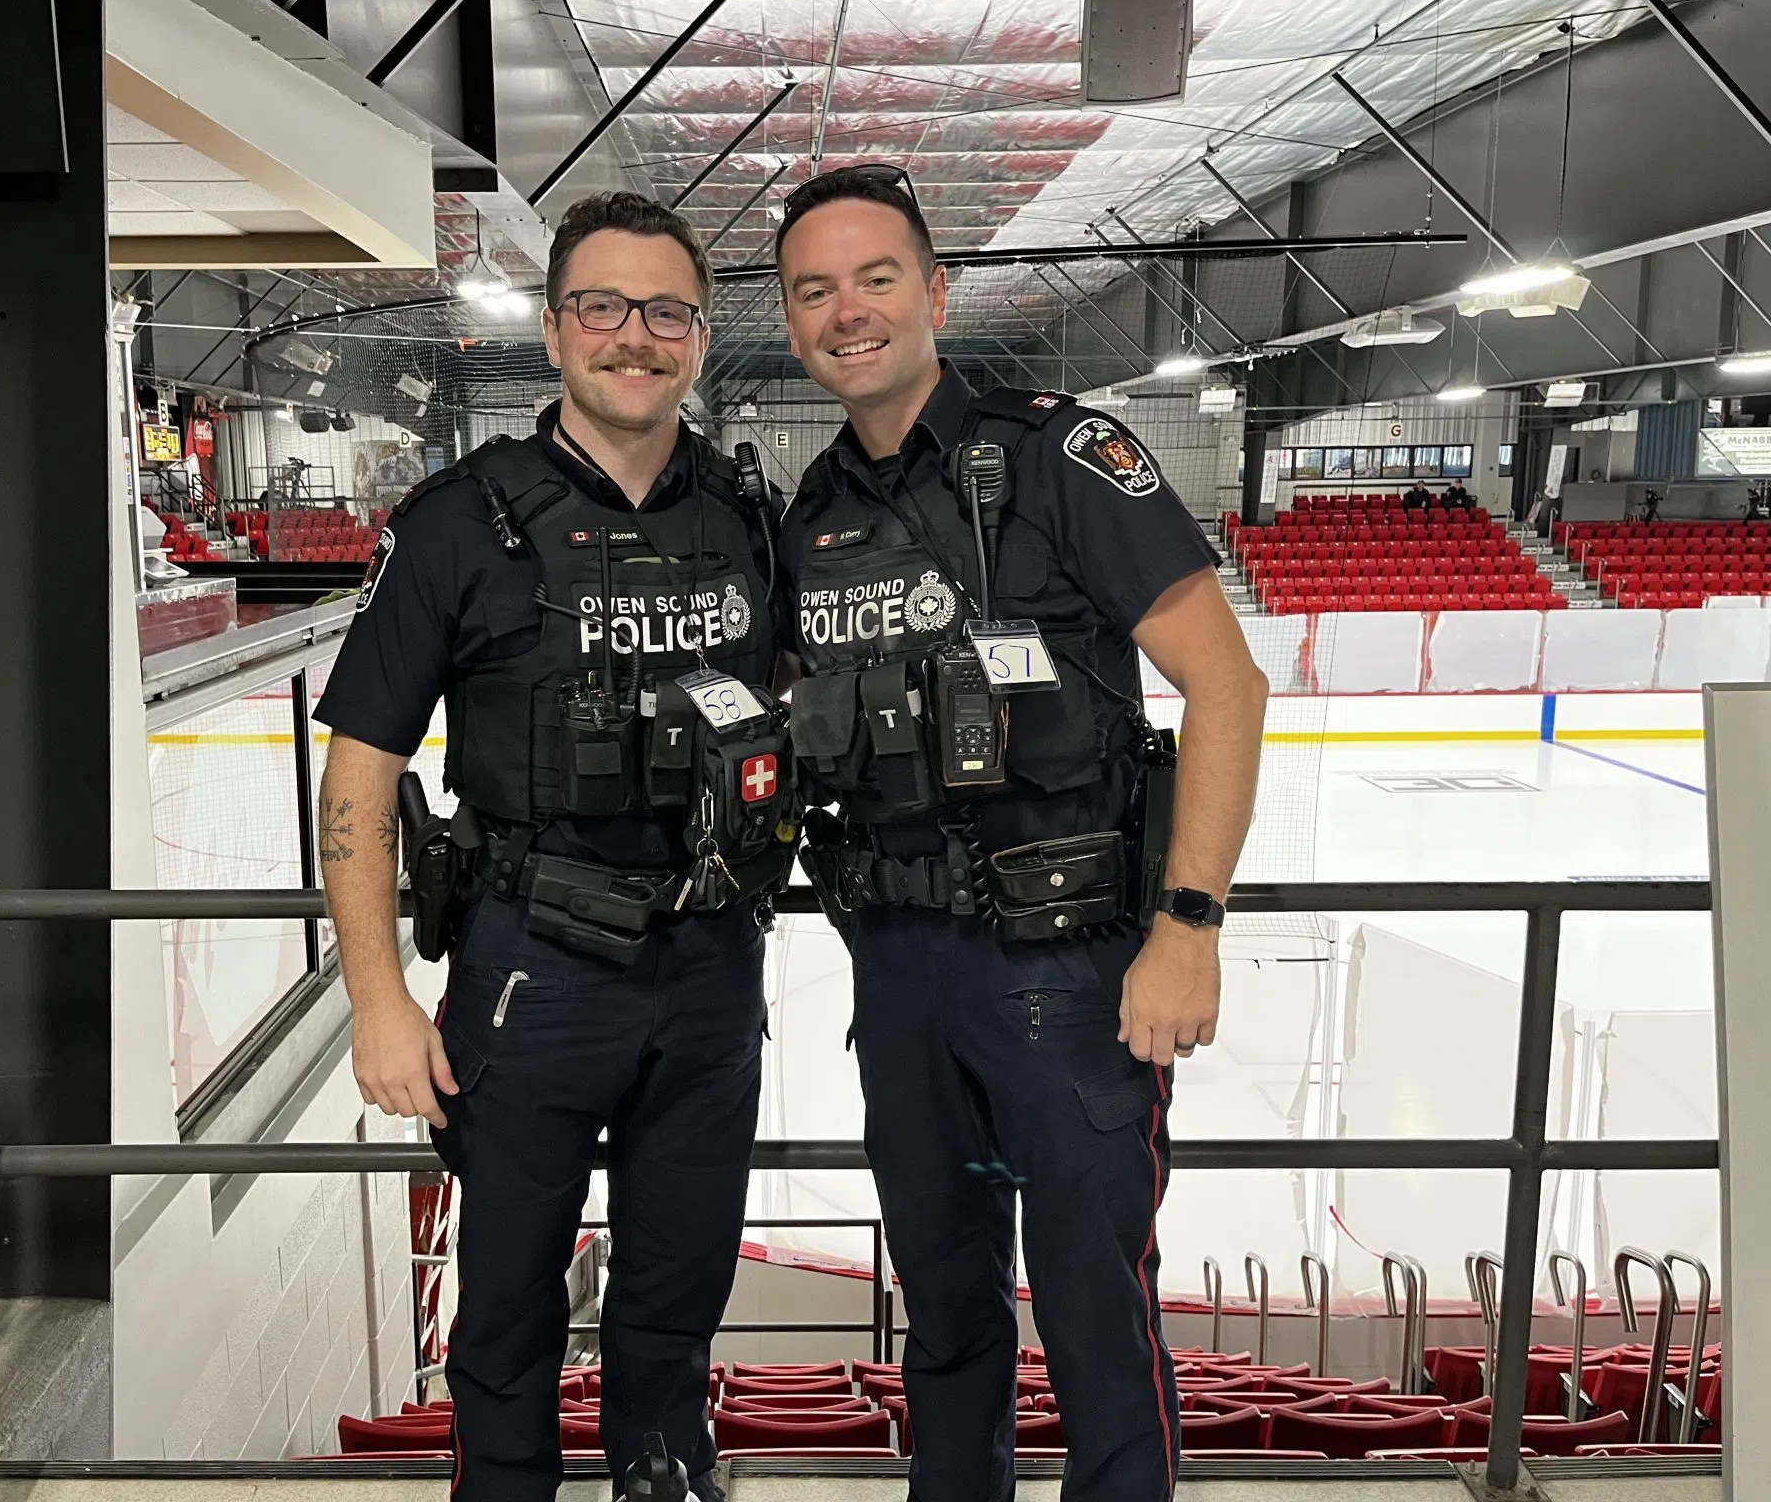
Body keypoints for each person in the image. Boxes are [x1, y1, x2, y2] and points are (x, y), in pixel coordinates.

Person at [770, 164, 1268, 1501]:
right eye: (814, 290)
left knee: (1098, 1319)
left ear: (935, 292)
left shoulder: (1062, 458)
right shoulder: (809, 520)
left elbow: (1226, 685)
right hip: (898, 967)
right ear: (791, 317)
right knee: (947, 1315)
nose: (847, 311)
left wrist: (1190, 928)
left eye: (877, 278)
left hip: (1072, 968)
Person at [314, 193, 793, 1502]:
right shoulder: (459, 520)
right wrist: (375, 998)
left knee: (675, 1306)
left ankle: (659, 1477)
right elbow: (360, 762)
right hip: (531, 970)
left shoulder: (753, 518)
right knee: (507, 1318)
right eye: (602, 306)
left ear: (696, 335)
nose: (633, 337)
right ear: (553, 325)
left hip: (710, 973)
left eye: (664, 312)